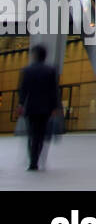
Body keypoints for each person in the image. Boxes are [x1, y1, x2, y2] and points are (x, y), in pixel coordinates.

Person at [18, 44, 62, 172]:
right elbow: (54, 91)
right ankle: (36, 158)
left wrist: (21, 104)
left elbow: (23, 90)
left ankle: (32, 159)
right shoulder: (51, 70)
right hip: (45, 109)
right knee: (41, 134)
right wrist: (55, 107)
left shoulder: (27, 70)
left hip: (30, 107)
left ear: (35, 55)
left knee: (32, 133)